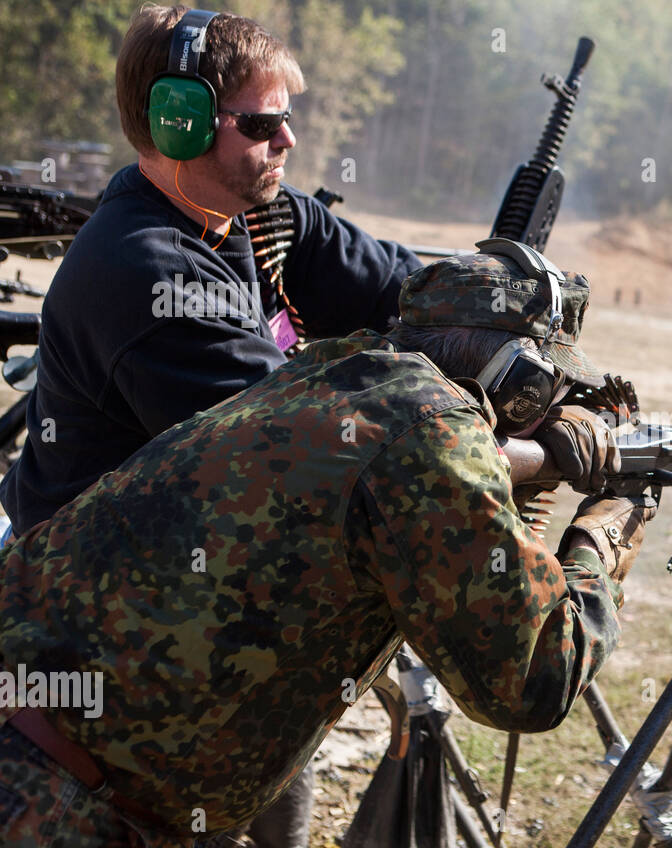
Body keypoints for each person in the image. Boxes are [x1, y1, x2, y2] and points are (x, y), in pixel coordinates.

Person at [0, 246, 656, 848]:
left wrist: (527, 476)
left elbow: (464, 548)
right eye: (547, 390)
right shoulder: (429, 437)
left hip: (46, 753)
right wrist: (609, 524)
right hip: (54, 814)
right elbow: (535, 682)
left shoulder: (333, 371)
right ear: (518, 379)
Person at [0, 4, 423, 536]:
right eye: (260, 124)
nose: (286, 139)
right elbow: (303, 448)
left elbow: (402, 286)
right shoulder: (151, 275)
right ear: (180, 126)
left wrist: (496, 305)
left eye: (286, 118)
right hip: (88, 591)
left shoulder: (259, 214)